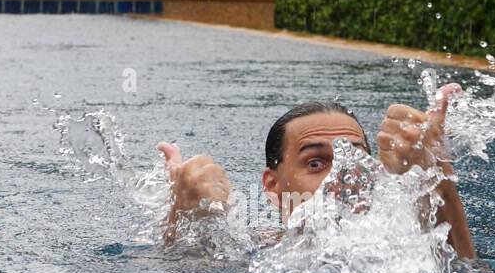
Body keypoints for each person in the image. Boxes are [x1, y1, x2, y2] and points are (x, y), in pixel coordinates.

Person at [156, 84, 477, 260]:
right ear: (273, 186)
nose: (342, 175)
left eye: (354, 159)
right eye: (315, 163)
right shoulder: (250, 251)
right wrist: (184, 216)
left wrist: (438, 179)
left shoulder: (406, 250)